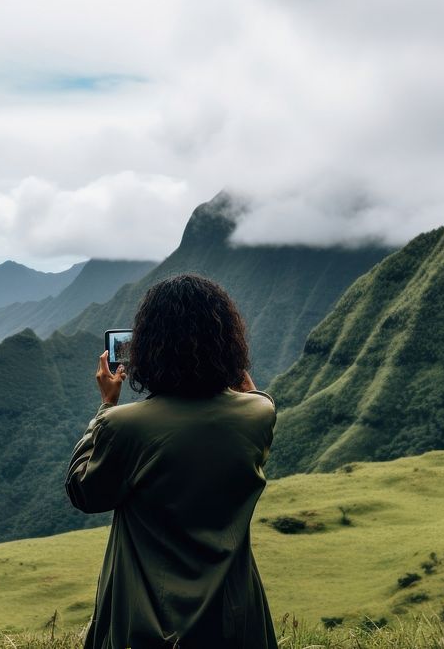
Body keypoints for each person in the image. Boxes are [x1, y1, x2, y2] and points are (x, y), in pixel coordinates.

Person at [65, 274, 278, 648]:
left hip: (142, 622)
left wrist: (104, 408)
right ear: (229, 342)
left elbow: (84, 493)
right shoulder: (260, 413)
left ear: (147, 348)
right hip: (235, 619)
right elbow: (252, 398)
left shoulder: (123, 425)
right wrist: (245, 387)